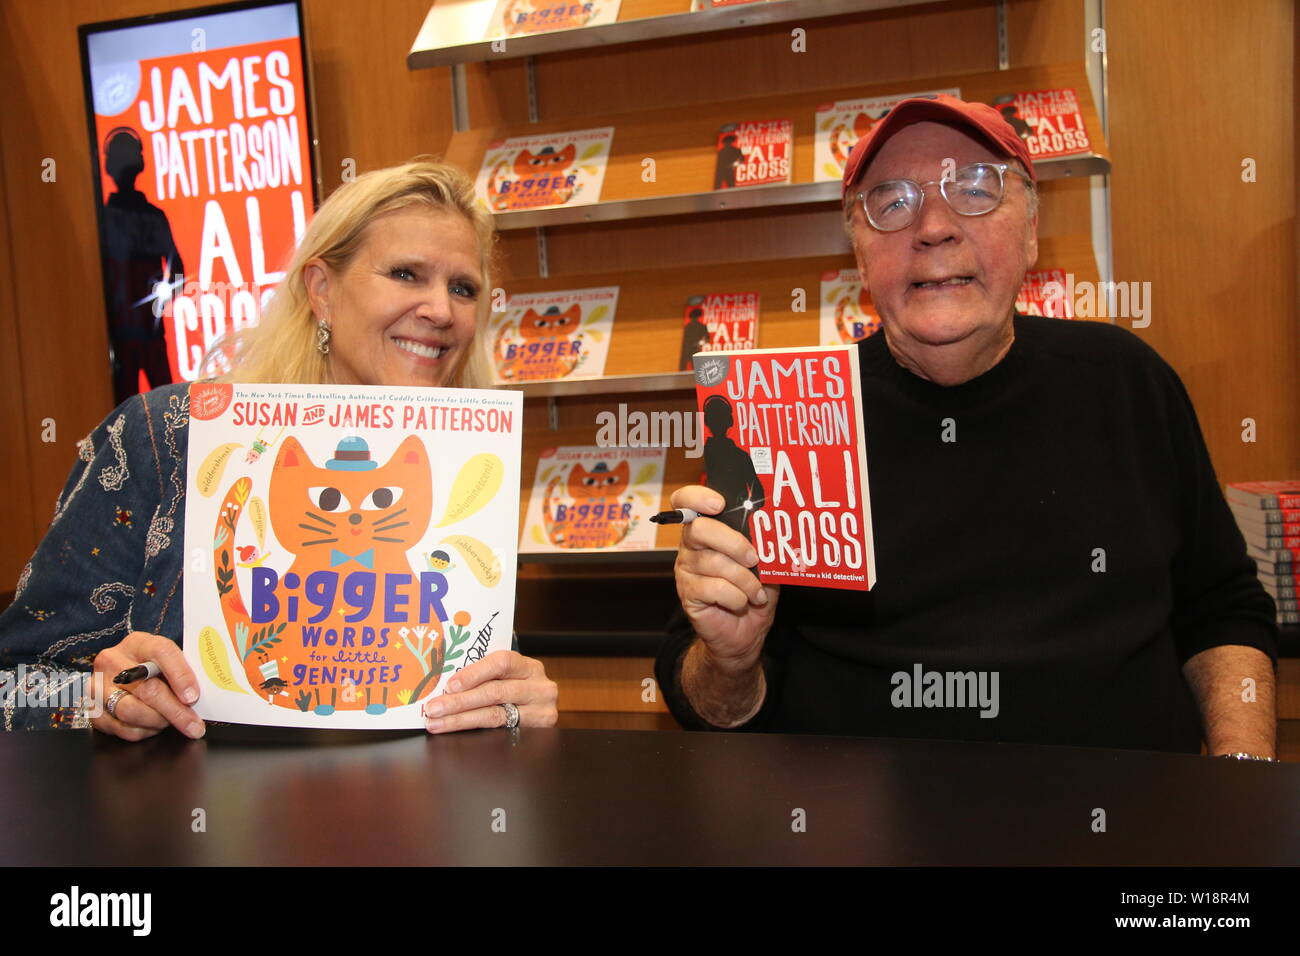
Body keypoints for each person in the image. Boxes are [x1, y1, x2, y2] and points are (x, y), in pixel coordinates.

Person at [657, 95, 1279, 757]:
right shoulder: (791, 414)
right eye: (892, 201)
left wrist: (1240, 778)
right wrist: (728, 661)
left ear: (1033, 228)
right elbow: (709, 707)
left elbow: (1222, 607)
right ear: (859, 255)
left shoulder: (1128, 381)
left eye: (975, 189)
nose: (933, 226)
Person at [0, 159, 558, 737]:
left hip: (413, 824)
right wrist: (97, 700)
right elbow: (14, 683)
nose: (441, 310)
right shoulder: (165, 437)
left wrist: (517, 711)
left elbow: (471, 690)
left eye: (462, 288)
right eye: (406, 274)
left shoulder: (466, 479)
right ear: (321, 290)